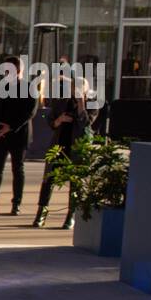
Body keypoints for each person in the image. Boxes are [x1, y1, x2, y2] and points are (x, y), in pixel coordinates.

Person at [0, 55, 39, 215]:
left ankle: (16, 203)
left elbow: (30, 112)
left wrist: (9, 127)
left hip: (18, 134)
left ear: (18, 70)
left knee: (18, 169)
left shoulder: (29, 87)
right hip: (1, 135)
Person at [33, 74, 90, 229]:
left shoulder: (93, 104)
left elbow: (86, 123)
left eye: (80, 89)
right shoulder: (61, 103)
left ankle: (71, 216)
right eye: (74, 88)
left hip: (77, 148)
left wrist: (81, 104)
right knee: (49, 180)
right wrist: (60, 120)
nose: (76, 91)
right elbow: (50, 121)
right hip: (59, 146)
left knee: (75, 183)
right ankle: (41, 213)